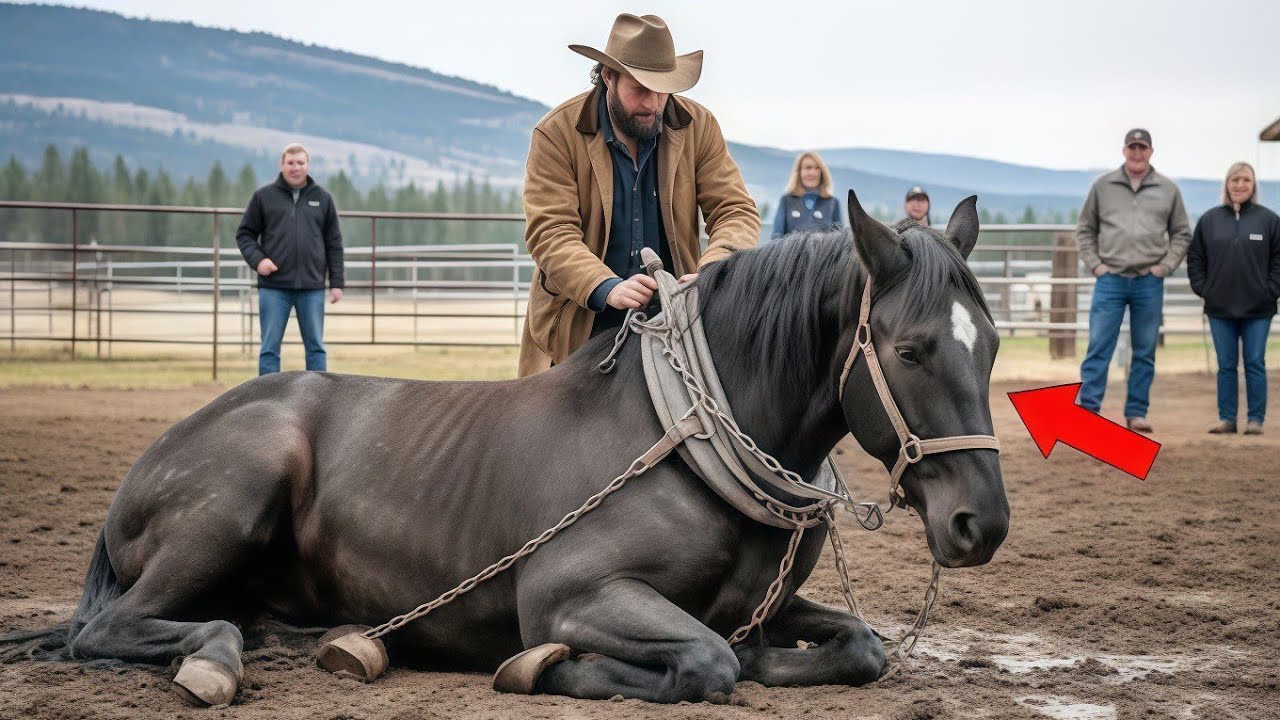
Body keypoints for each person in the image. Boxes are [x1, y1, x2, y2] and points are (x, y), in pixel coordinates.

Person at [519, 13, 759, 376]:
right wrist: (605, 286)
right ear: (608, 77)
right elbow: (551, 233)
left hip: (676, 319)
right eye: (640, 88)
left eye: (662, 88)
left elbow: (735, 210)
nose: (653, 102)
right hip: (582, 322)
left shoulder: (699, 126)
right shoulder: (556, 134)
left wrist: (714, 270)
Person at [1075, 128, 1191, 433]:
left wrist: (1164, 266)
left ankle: (1137, 413)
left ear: (1151, 152)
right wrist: (1096, 265)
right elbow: (1085, 229)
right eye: (1132, 147)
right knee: (1099, 346)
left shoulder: (1168, 189)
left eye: (1143, 148)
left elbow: (1181, 233)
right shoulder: (1103, 186)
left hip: (1148, 280)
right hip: (1109, 278)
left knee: (1145, 349)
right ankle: (1089, 410)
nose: (1137, 153)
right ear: (1124, 150)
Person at [1186, 161, 1280, 435]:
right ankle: (1227, 419)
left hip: (1258, 309)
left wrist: (1271, 289)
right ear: (1226, 184)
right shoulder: (1209, 220)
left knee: (1254, 362)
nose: (1240, 185)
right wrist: (1205, 289)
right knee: (1226, 365)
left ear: (1253, 185)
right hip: (1220, 308)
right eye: (1234, 180)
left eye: (1246, 180)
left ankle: (1255, 420)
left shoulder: (1269, 221)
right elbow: (1195, 258)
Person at [235, 143, 345, 376]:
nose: (296, 168)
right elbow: (245, 235)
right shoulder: (263, 197)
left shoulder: (323, 199)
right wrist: (259, 261)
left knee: (315, 348)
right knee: (269, 350)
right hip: (274, 287)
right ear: (282, 164)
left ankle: (318, 401)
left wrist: (336, 283)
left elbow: (334, 243)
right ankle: (267, 402)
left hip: (312, 287)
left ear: (308, 164)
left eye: (301, 163)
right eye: (291, 163)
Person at [770, 152, 842, 239]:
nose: (812, 172)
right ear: (799, 172)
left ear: (822, 172)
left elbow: (839, 240)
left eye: (817, 168)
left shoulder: (833, 203)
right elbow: (776, 236)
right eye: (808, 168)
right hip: (791, 252)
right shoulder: (786, 200)